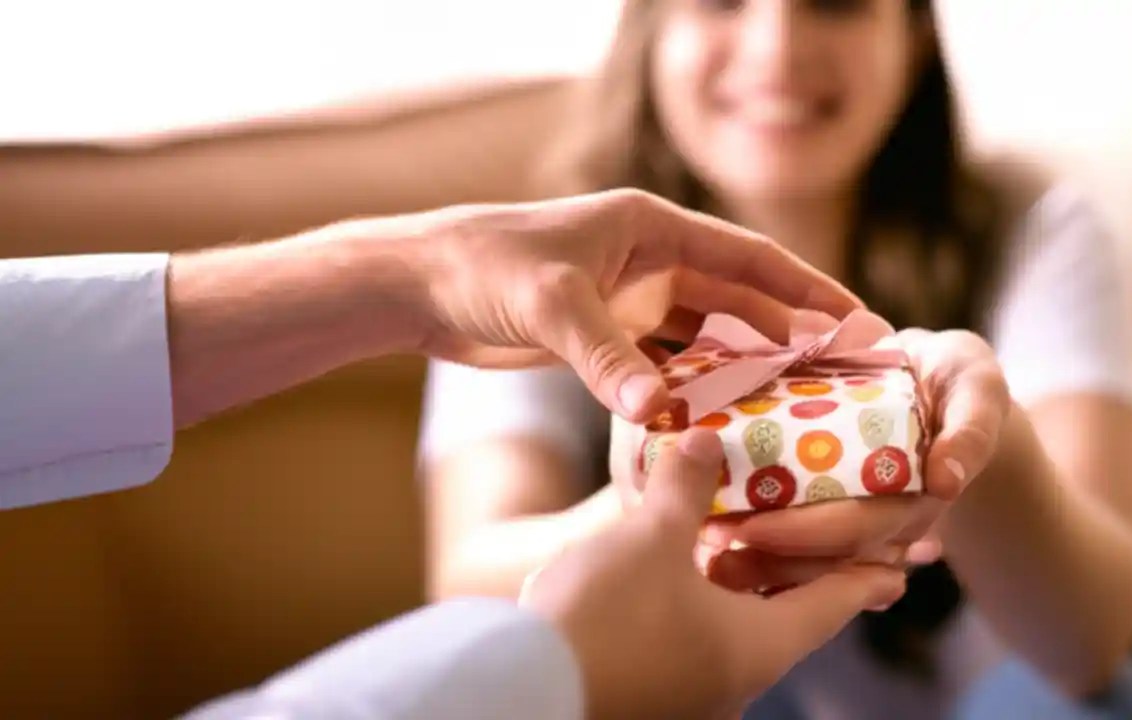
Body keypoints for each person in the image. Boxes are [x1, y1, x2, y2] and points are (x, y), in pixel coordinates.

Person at [423, 1, 1132, 718]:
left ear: (912, 35)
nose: (777, 49)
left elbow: (1094, 646)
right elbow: (471, 588)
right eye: (721, 2)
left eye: (838, 1)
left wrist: (981, 449)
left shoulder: (1035, 232)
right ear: (651, 28)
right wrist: (662, 503)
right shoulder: (546, 263)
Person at [2, 188, 907, 719]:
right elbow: (471, 563)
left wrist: (412, 269)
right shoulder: (574, 316)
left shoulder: (1024, 230)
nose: (778, 45)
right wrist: (566, 664)